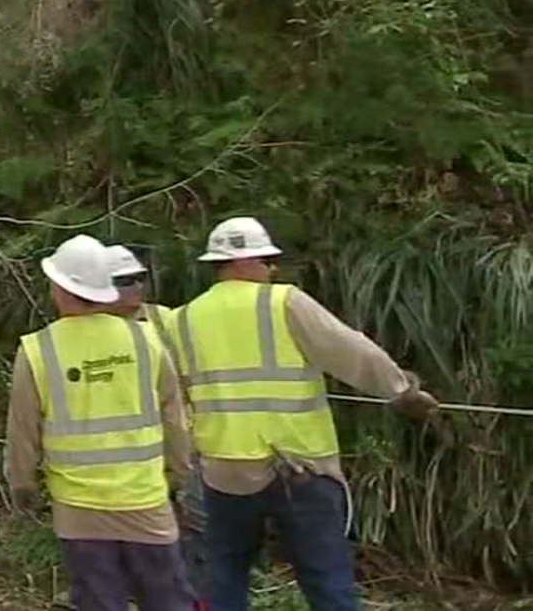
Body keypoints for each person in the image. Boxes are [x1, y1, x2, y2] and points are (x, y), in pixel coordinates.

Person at [173, 217, 438, 611]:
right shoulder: (284, 302)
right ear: (246, 262)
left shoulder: (183, 318)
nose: (271, 268)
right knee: (326, 577)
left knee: (225, 575)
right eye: (265, 260)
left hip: (225, 469)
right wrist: (401, 390)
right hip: (298, 464)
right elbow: (351, 351)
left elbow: (175, 396)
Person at [4, 234, 197, 611]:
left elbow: (22, 432)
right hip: (145, 499)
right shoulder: (145, 340)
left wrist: (21, 485)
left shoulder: (37, 350)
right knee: (168, 597)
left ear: (60, 288)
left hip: (79, 508)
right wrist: (180, 473)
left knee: (99, 600)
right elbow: (174, 417)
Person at [106, 242, 211, 610]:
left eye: (138, 279)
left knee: (196, 535)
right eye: (123, 282)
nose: (134, 289)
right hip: (127, 459)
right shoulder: (91, 332)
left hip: (182, 447)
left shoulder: (166, 321)